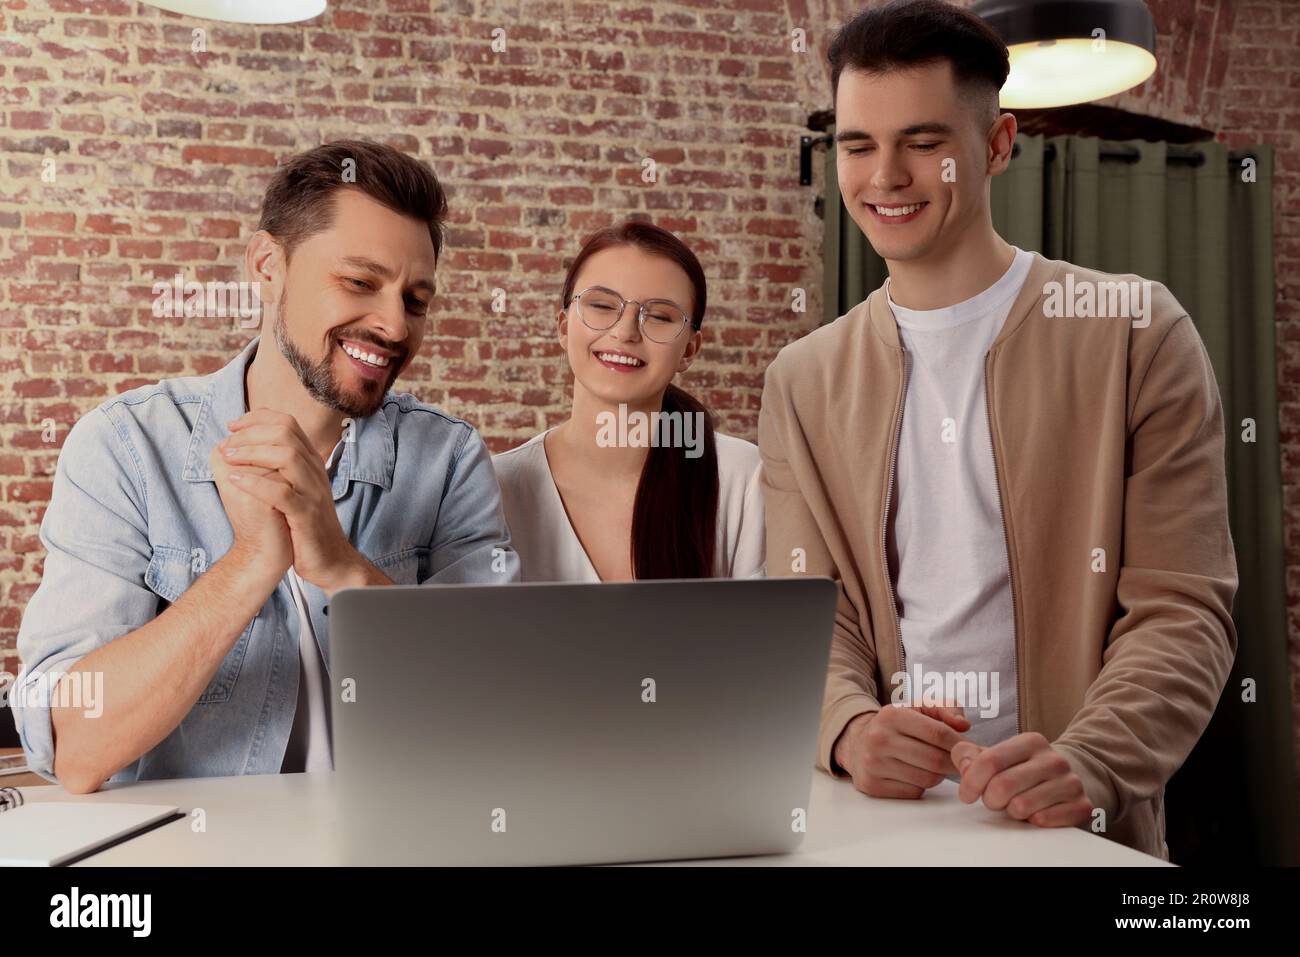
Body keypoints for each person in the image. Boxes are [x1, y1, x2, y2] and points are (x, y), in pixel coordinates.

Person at [758, 0, 1236, 858]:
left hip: (1072, 832)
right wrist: (845, 727)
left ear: (997, 146)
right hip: (875, 830)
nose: (885, 176)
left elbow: (1183, 610)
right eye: (858, 145)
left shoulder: (1137, 332)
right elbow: (809, 617)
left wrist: (1090, 760)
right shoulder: (803, 379)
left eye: (924, 143)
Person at [12, 140, 518, 793]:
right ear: (266, 266)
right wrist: (250, 564)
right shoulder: (126, 447)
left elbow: (498, 717)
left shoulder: (447, 460)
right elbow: (76, 747)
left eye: (415, 300)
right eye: (360, 282)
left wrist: (341, 568)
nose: (394, 325)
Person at [493, 220, 764, 581]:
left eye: (659, 316)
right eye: (602, 306)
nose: (624, 332)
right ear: (563, 326)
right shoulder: (497, 488)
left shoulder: (741, 478)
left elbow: (769, 634)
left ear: (689, 349)